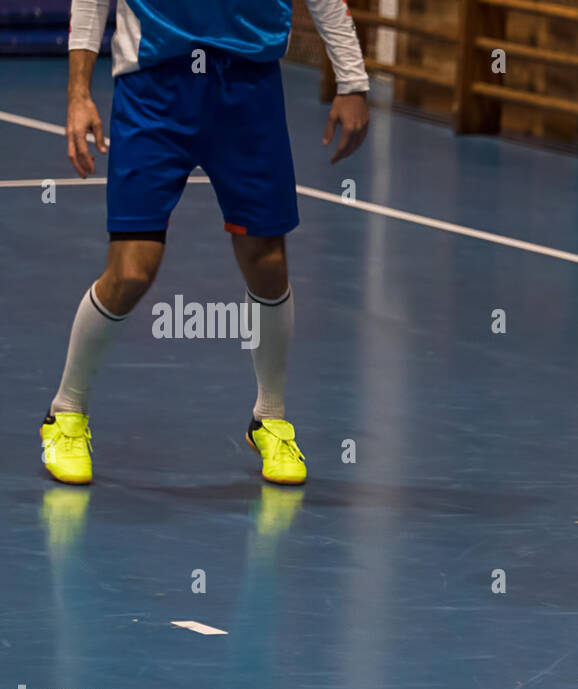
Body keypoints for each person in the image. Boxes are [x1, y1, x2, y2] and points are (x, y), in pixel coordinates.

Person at [41, 0, 372, 486]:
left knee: (268, 263)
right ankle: (66, 413)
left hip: (249, 88)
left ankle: (270, 418)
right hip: (154, 88)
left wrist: (353, 82)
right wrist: (78, 93)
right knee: (132, 270)